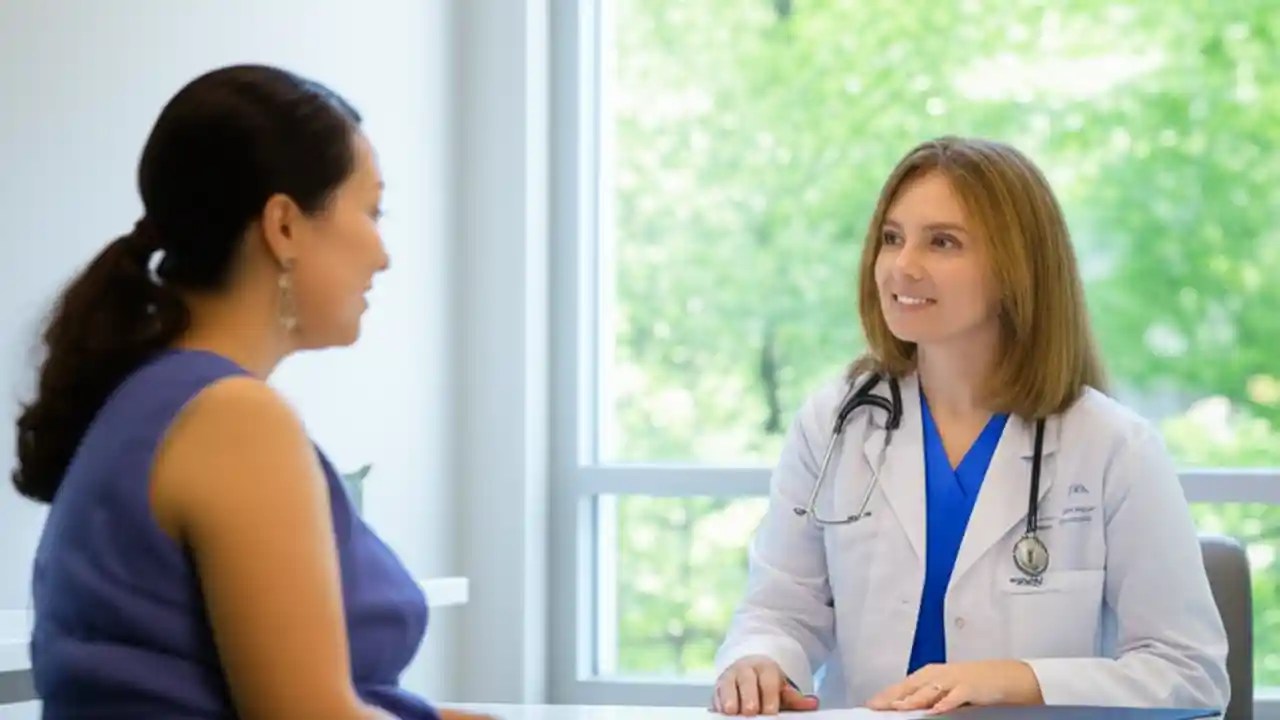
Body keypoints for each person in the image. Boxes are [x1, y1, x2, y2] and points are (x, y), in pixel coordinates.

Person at [12, 64, 487, 720]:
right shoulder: (233, 419)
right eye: (372, 211)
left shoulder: (154, 400)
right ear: (284, 226)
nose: (383, 254)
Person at [710, 136, 1231, 715]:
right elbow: (780, 610)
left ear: (1016, 269)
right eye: (891, 238)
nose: (902, 266)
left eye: (943, 242)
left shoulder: (1113, 446)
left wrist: (1011, 680)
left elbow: (1189, 674)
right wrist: (760, 660)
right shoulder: (835, 422)